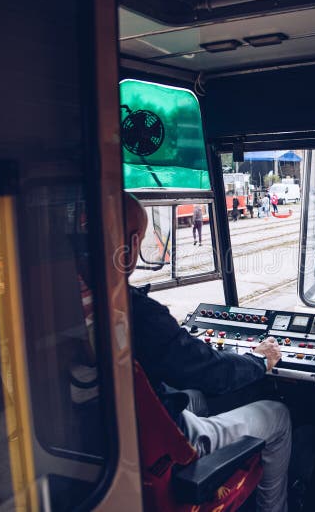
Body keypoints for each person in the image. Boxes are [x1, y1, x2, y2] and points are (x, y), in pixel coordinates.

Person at [125, 195, 291, 512]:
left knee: (195, 396)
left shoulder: (52, 306)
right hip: (170, 446)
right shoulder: (135, 313)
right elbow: (214, 374)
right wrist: (259, 359)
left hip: (116, 437)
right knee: (278, 416)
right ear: (133, 244)